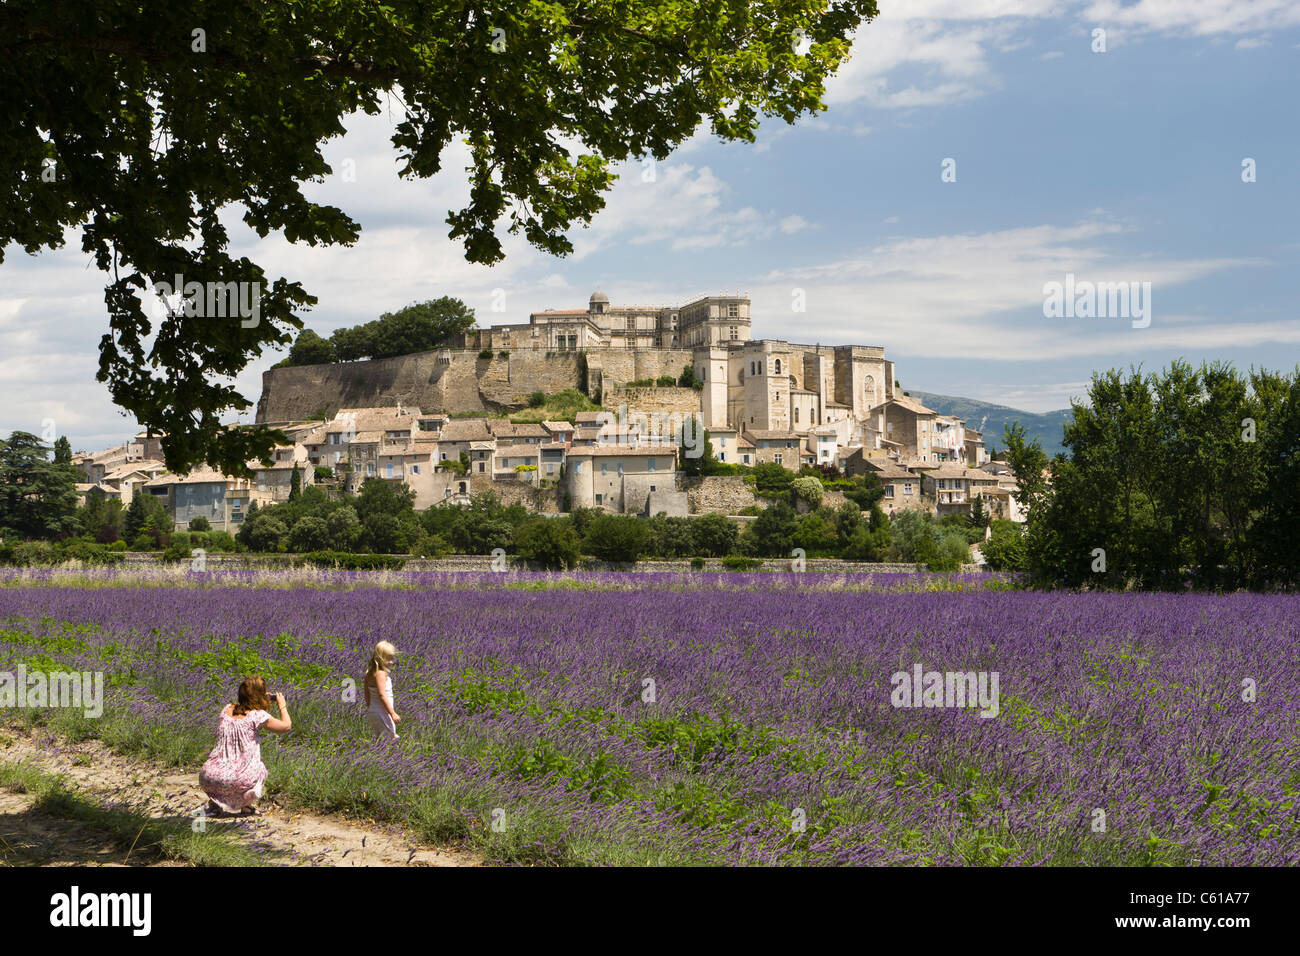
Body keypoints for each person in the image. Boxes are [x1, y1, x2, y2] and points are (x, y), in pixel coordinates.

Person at [198, 676, 291, 816]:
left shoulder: (226, 709)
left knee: (230, 771)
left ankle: (216, 804)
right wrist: (282, 705)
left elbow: (241, 711)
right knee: (259, 769)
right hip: (235, 780)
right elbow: (286, 726)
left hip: (208, 776)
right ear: (260, 695)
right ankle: (246, 806)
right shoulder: (257, 715)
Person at [364, 641, 401, 740]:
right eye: (388, 659)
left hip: (373, 711)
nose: (391, 662)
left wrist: (369, 706)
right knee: (390, 739)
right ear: (379, 658)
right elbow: (382, 695)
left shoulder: (369, 673)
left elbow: (366, 692)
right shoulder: (380, 674)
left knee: (379, 739)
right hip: (382, 713)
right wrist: (392, 713)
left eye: (392, 658)